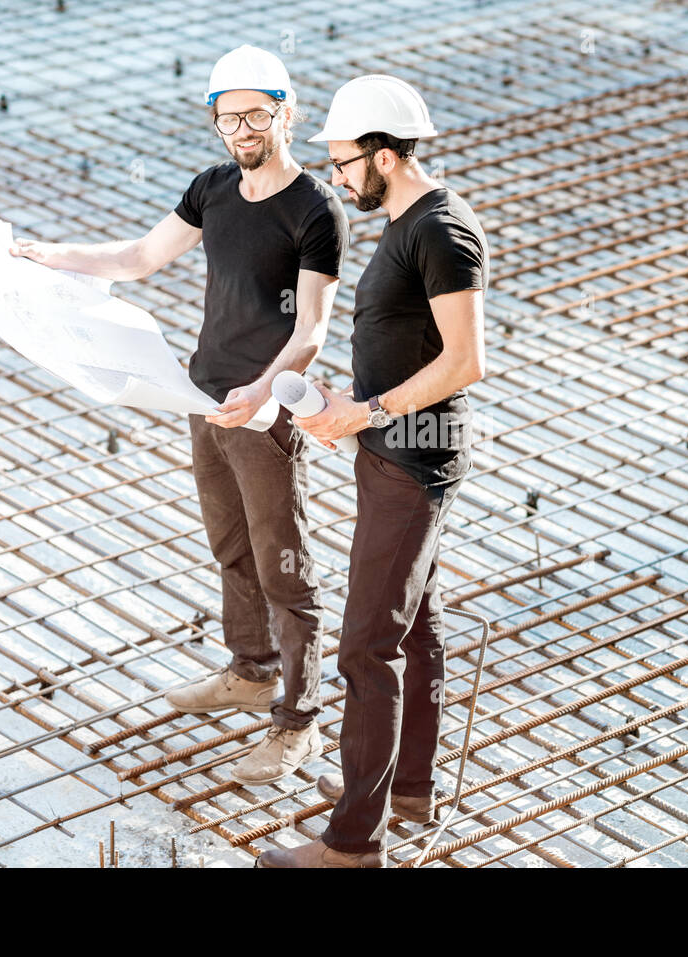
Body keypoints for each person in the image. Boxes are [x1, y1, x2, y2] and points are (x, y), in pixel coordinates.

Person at [9, 45, 348, 786]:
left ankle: (299, 722)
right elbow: (137, 258)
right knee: (229, 544)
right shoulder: (212, 188)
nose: (243, 130)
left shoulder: (315, 208)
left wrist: (262, 392)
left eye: (257, 114)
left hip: (262, 414)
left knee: (285, 565)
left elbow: (312, 329)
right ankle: (251, 669)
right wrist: (50, 257)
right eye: (229, 118)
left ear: (287, 113)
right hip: (199, 396)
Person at [259, 75, 487, 867]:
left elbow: (465, 361)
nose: (337, 176)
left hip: (413, 464)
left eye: (346, 161)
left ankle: (354, 845)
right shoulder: (404, 221)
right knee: (414, 630)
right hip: (390, 450)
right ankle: (409, 790)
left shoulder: (442, 233)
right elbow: (408, 349)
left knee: (364, 649)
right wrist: (342, 402)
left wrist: (367, 413)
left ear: (386, 156)